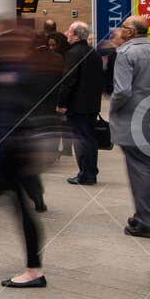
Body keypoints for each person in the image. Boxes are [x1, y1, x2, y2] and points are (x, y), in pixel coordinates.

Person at [0, 19, 61, 288]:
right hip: (24, 146)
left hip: (16, 148)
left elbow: (7, 121)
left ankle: (34, 271)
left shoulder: (16, 77)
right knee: (22, 207)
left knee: (23, 210)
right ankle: (33, 267)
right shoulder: (32, 71)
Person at [110, 17, 150, 238]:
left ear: (132, 32)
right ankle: (144, 214)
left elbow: (122, 90)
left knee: (139, 171)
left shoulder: (126, 54)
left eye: (123, 28)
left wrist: (114, 108)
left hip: (132, 119)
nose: (120, 31)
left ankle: (146, 220)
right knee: (146, 169)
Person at [57, 21, 103, 186]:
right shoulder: (94, 53)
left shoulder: (73, 53)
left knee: (81, 139)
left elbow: (68, 80)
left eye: (69, 32)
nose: (67, 34)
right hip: (92, 104)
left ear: (76, 35)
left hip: (77, 105)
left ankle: (85, 174)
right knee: (90, 138)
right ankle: (91, 171)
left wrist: (62, 103)